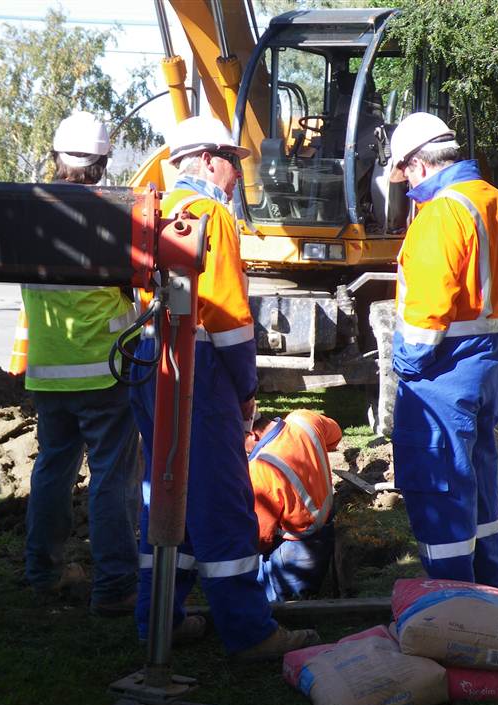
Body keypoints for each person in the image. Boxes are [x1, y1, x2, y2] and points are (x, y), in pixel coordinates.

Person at [129, 115, 320, 659]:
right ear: (211, 160)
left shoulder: (156, 208)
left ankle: (158, 619)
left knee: (165, 491)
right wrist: (245, 390)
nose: (238, 174)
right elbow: (232, 322)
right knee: (221, 502)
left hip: (150, 364)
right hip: (200, 372)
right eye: (234, 162)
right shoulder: (210, 213)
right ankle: (249, 631)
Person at [386, 112, 498, 593]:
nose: (405, 183)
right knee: (479, 477)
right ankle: (492, 590)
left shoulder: (442, 213)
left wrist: (406, 366)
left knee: (439, 480)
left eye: (404, 172)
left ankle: (455, 604)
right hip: (488, 360)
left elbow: (428, 309)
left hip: (441, 372)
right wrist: (496, 337)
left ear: (418, 165)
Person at [22, 111, 141, 616]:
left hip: (48, 371)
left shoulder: (27, 214)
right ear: (102, 161)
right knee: (112, 476)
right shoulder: (113, 213)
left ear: (55, 156)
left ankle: (42, 572)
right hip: (104, 372)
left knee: (52, 467)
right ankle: (114, 588)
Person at [246, 409, 342, 602]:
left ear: (252, 435)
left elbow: (261, 536)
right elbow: (335, 436)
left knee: (285, 608)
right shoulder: (303, 419)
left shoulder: (261, 466)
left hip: (293, 549)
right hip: (325, 526)